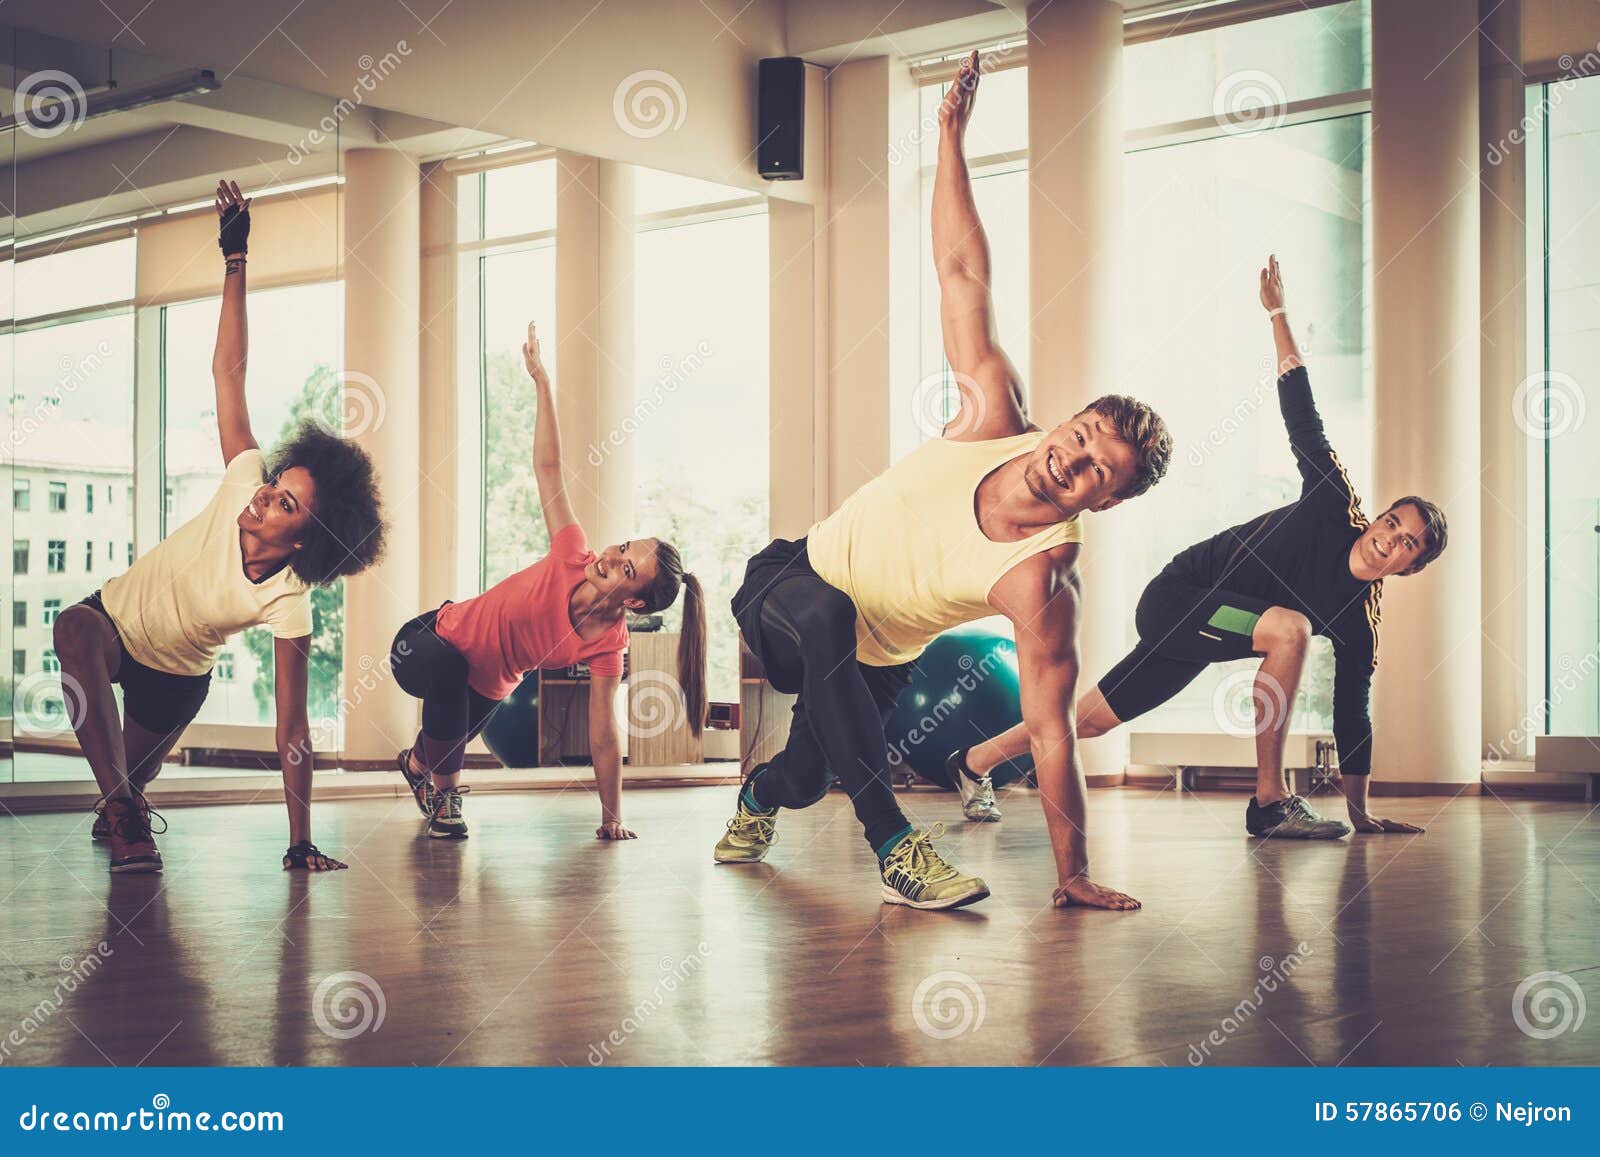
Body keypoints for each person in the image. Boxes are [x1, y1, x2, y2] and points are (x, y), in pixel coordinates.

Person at [712, 50, 1172, 911]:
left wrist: (1070, 873)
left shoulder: (1043, 582)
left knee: (806, 777)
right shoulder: (993, 411)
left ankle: (754, 799)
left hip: (876, 661)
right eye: (1080, 438)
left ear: (1103, 501)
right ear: (1067, 420)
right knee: (829, 609)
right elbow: (962, 276)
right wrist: (950, 137)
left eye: (1095, 472)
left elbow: (1049, 730)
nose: (1071, 460)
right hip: (787, 585)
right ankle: (898, 848)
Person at [951, 256, 1446, 840]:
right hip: (1181, 597)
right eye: (1392, 521)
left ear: (1410, 566)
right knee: (1291, 629)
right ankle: (1269, 802)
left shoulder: (1362, 620)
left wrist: (1360, 813)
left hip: (1210, 630)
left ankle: (973, 763)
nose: (1388, 537)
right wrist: (1278, 314)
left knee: (1091, 719)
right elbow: (1302, 416)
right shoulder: (1332, 502)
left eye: (1405, 542)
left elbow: (1352, 714)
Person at [59, 179, 388, 874]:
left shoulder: (288, 598)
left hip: (177, 679)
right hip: (114, 623)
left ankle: (122, 806)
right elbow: (227, 371)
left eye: (286, 505)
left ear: (306, 543)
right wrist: (235, 258)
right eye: (277, 485)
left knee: (127, 789)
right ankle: (123, 810)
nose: (265, 496)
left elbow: (293, 729)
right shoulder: (244, 477)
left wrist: (299, 841)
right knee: (73, 629)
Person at [390, 322, 706, 841]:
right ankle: (446, 798)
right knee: (448, 672)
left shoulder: (609, 644)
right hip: (427, 642)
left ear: (635, 602)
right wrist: (541, 382)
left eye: (625, 569)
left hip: (483, 691)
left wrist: (612, 819)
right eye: (624, 547)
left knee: (439, 743)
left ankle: (419, 768)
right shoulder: (570, 551)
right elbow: (549, 467)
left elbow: (604, 733)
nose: (610, 556)